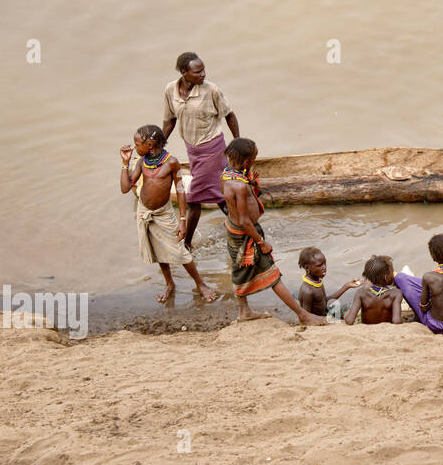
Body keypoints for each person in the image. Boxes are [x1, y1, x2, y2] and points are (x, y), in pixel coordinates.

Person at [221, 137, 323, 325]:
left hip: (235, 230)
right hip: (246, 234)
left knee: (239, 271)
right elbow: (244, 220)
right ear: (247, 161)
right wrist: (261, 241)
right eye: (253, 159)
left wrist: (253, 183)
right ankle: (303, 315)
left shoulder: (228, 176)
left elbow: (238, 206)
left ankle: (244, 311)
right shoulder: (239, 186)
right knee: (273, 276)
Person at [118, 125, 219, 303]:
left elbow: (180, 190)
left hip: (164, 213)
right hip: (145, 212)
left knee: (179, 251)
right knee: (158, 250)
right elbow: (126, 188)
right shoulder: (141, 162)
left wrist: (182, 220)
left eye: (137, 144)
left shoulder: (171, 162)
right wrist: (125, 163)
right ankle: (169, 283)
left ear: (150, 145)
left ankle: (200, 283)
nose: (134, 148)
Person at [162, 52, 239, 249]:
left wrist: (237, 142)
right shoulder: (170, 90)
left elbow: (229, 115)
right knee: (220, 196)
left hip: (213, 147)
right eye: (197, 72)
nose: (203, 74)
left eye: (203, 70)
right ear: (183, 72)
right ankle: (242, 228)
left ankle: (186, 245)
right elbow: (170, 119)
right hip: (192, 150)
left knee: (194, 198)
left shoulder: (211, 90)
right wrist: (160, 144)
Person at [295, 247, 360, 318]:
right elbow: (305, 317)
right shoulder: (307, 291)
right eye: (319, 265)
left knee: (355, 305)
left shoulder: (317, 281)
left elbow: (323, 302)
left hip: (326, 312)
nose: (324, 267)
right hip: (320, 319)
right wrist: (324, 321)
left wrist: (347, 286)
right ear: (307, 268)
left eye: (324, 263)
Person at [344, 255, 404, 325]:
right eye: (392, 272)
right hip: (385, 331)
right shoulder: (396, 293)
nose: (393, 274)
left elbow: (350, 321)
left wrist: (346, 316)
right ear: (386, 277)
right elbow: (396, 321)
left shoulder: (361, 293)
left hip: (367, 331)